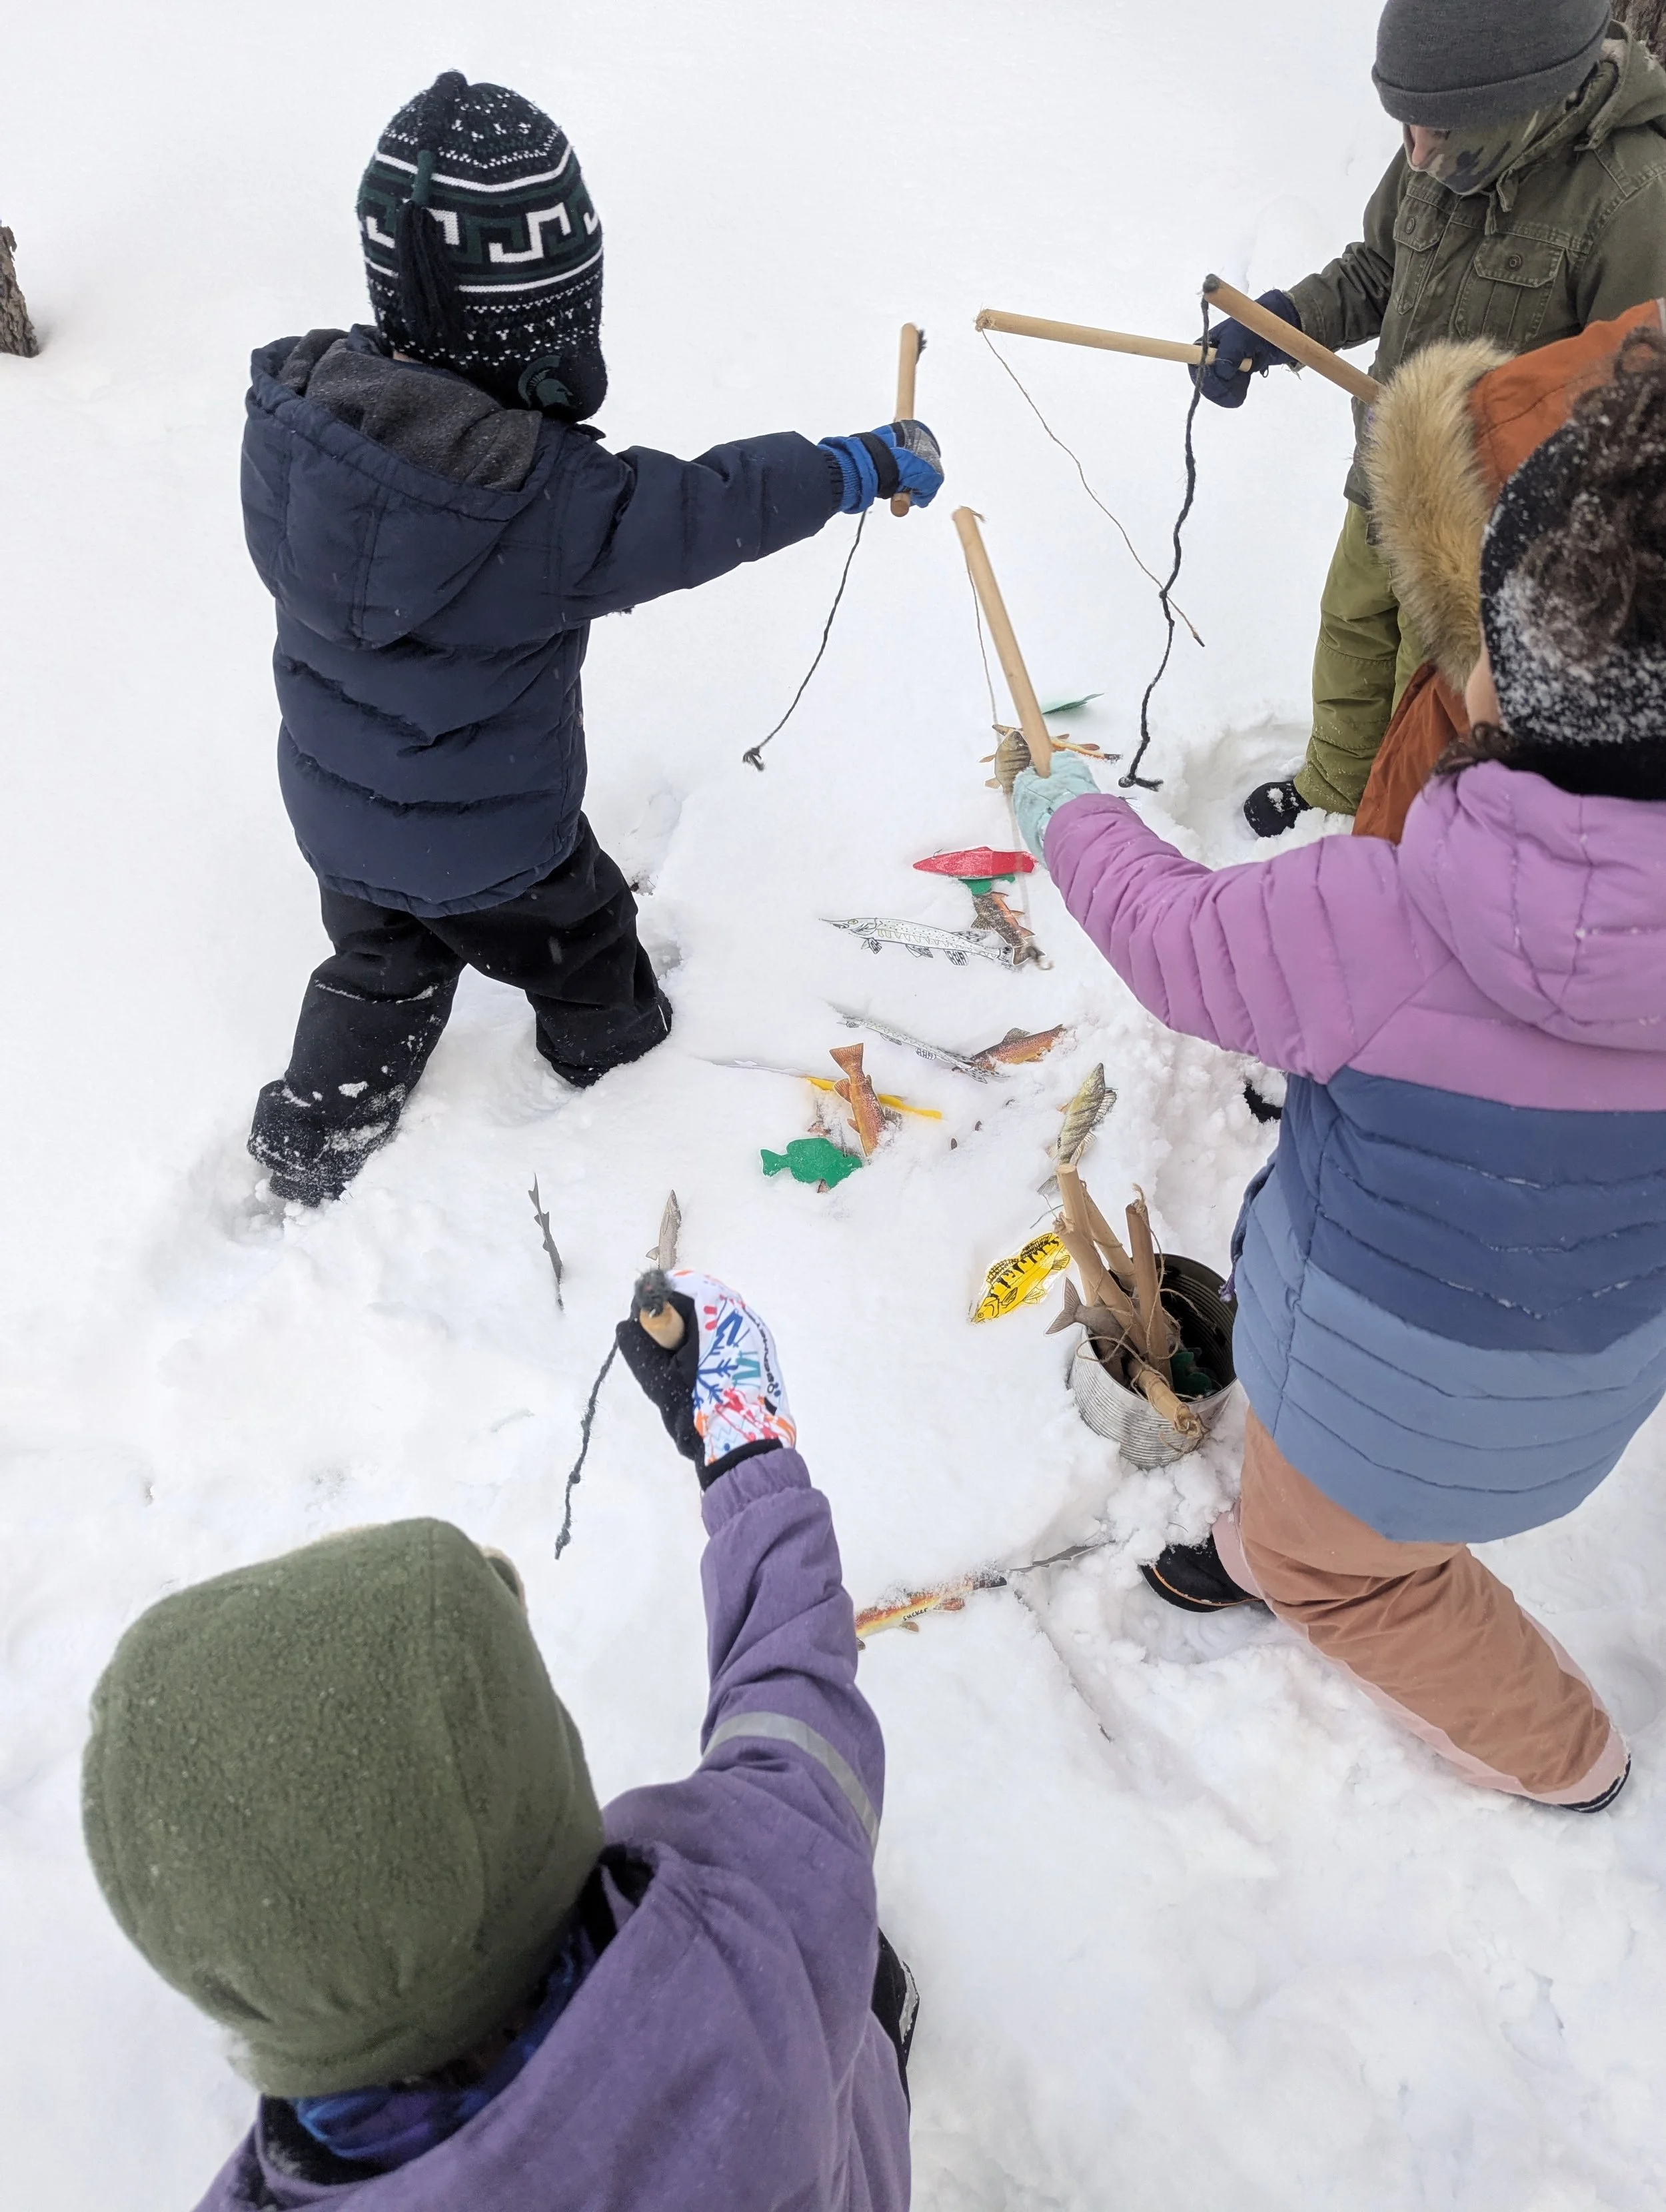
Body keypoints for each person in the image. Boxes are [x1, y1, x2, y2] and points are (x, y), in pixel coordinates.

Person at [1009, 331, 1666, 1808]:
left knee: (1347, 1569)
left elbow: (1173, 939)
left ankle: (1562, 1755)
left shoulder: (1378, 919)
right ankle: (1285, 1542)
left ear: (1516, 672)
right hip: (1586, 1393)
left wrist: (1067, 818)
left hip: (1382, 1408)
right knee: (1354, 1515)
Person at [243, 73, 943, 1205]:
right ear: (541, 333)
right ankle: (608, 1047)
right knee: (580, 931)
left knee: (379, 958)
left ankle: (314, 1131)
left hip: (336, 817)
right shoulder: (545, 503)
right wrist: (852, 465)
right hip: (498, 844)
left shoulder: (299, 427)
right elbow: (714, 506)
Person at [81, 1272, 914, 2208]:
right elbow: (793, 1703)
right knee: (855, 1981)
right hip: (839, 2158)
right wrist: (741, 1443)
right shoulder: (754, 1926)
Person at [1198, 0, 1666, 837]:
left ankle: (1401, 838)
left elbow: (1633, 407)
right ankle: (1334, 787)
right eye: (1405, 126)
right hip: (1388, 466)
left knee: (1433, 692)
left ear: (1528, 99)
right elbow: (1380, 267)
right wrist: (1280, 325)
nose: (1415, 153)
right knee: (1351, 626)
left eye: (1437, 134)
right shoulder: (1441, 129)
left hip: (1490, 520)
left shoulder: (1633, 197)